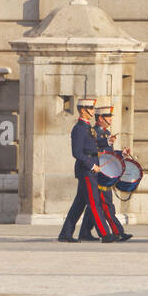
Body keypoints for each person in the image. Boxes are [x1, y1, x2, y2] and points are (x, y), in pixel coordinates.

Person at [57, 97, 104, 243]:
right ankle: (105, 233)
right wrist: (91, 165)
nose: (93, 111)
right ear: (83, 110)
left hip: (90, 169)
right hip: (86, 170)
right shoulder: (79, 128)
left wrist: (108, 142)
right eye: (90, 109)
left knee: (79, 205)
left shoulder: (87, 127)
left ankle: (66, 233)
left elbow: (92, 145)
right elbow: (77, 153)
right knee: (94, 202)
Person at [91, 104, 130, 241]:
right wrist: (105, 141)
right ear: (100, 118)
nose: (110, 119)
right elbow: (93, 149)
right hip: (99, 173)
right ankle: (117, 231)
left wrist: (121, 154)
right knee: (106, 203)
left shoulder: (106, 133)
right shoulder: (94, 132)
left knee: (95, 204)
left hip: (106, 172)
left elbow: (109, 153)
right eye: (108, 116)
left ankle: (84, 231)